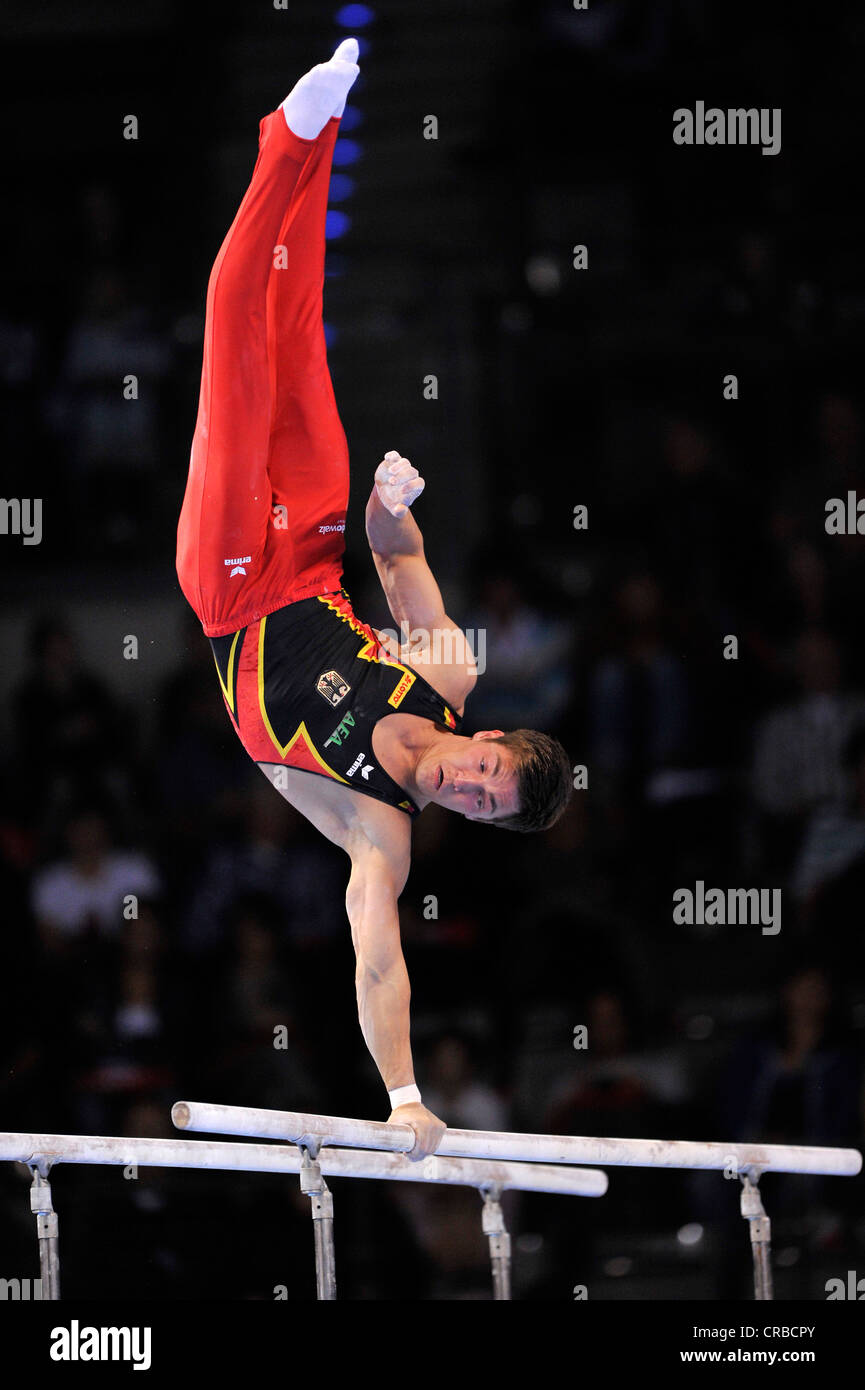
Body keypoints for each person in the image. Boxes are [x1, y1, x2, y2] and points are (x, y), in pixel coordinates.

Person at [176, 40, 571, 1157]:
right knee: (296, 336)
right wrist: (395, 505)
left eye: (483, 804)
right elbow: (399, 567)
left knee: (232, 340)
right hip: (309, 553)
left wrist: (401, 1096)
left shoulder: (381, 835)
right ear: (486, 738)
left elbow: (377, 959)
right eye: (489, 768)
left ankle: (286, 142)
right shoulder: (447, 676)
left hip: (232, 593)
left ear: (468, 821)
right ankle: (324, 127)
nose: (470, 783)